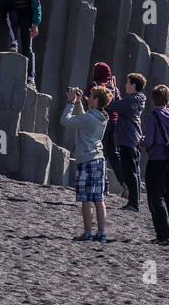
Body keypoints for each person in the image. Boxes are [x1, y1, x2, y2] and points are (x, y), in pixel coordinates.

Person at [62, 86, 110, 242]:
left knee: (86, 199)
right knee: (99, 199)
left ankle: (88, 232)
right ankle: (101, 232)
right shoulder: (102, 117)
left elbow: (65, 121)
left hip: (87, 161)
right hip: (99, 160)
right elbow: (85, 118)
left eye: (91, 96)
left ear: (96, 100)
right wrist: (79, 103)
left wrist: (70, 103)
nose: (88, 98)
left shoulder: (89, 118)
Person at [139, 84, 169, 246]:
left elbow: (149, 141)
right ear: (167, 100)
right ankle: (163, 233)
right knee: (167, 198)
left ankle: (165, 234)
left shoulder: (153, 117)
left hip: (156, 161)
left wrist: (140, 143)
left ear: (153, 99)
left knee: (155, 199)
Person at [0, 0, 42, 87]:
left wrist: (36, 24)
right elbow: (3, 3)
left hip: (26, 18)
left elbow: (36, 6)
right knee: (10, 15)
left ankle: (31, 77)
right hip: (14, 14)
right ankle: (14, 42)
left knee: (28, 48)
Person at [108, 73, 147, 211]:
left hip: (127, 141)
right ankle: (134, 202)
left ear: (134, 85)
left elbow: (113, 106)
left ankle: (134, 203)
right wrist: (115, 90)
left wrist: (112, 90)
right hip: (133, 140)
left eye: (128, 82)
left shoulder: (131, 101)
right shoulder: (136, 99)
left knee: (131, 173)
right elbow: (120, 104)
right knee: (134, 172)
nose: (126, 85)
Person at [91, 62, 121, 176]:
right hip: (115, 121)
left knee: (100, 153)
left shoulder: (96, 85)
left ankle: (103, 183)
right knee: (114, 153)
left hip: (101, 121)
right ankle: (124, 181)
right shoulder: (115, 88)